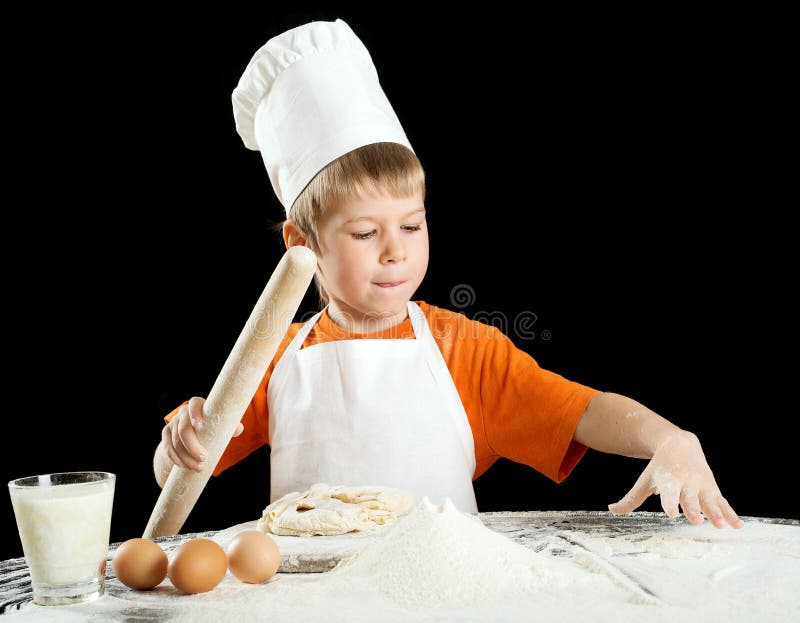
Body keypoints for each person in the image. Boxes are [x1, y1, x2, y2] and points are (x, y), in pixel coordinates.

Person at [154, 19, 742, 528]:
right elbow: (177, 473)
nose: (396, 252)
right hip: (308, 600)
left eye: (412, 225)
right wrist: (179, 441)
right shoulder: (270, 362)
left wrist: (669, 438)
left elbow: (581, 411)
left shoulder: (466, 352)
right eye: (365, 233)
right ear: (301, 245)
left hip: (440, 599)